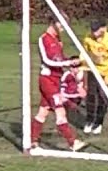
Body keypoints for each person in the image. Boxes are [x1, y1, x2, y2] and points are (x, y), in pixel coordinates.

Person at [31, 17, 89, 152]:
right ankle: (72, 142)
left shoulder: (58, 40)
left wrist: (71, 63)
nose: (63, 29)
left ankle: (32, 141)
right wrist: (66, 63)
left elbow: (60, 59)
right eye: (62, 26)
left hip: (56, 80)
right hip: (47, 80)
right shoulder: (44, 39)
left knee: (43, 112)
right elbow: (47, 61)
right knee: (60, 112)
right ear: (55, 23)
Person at [82, 19, 108, 134]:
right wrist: (83, 67)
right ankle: (89, 120)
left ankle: (98, 122)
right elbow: (84, 53)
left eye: (96, 30)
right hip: (93, 71)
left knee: (103, 98)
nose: (94, 33)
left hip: (105, 72)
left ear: (104, 29)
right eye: (92, 30)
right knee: (91, 96)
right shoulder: (88, 38)